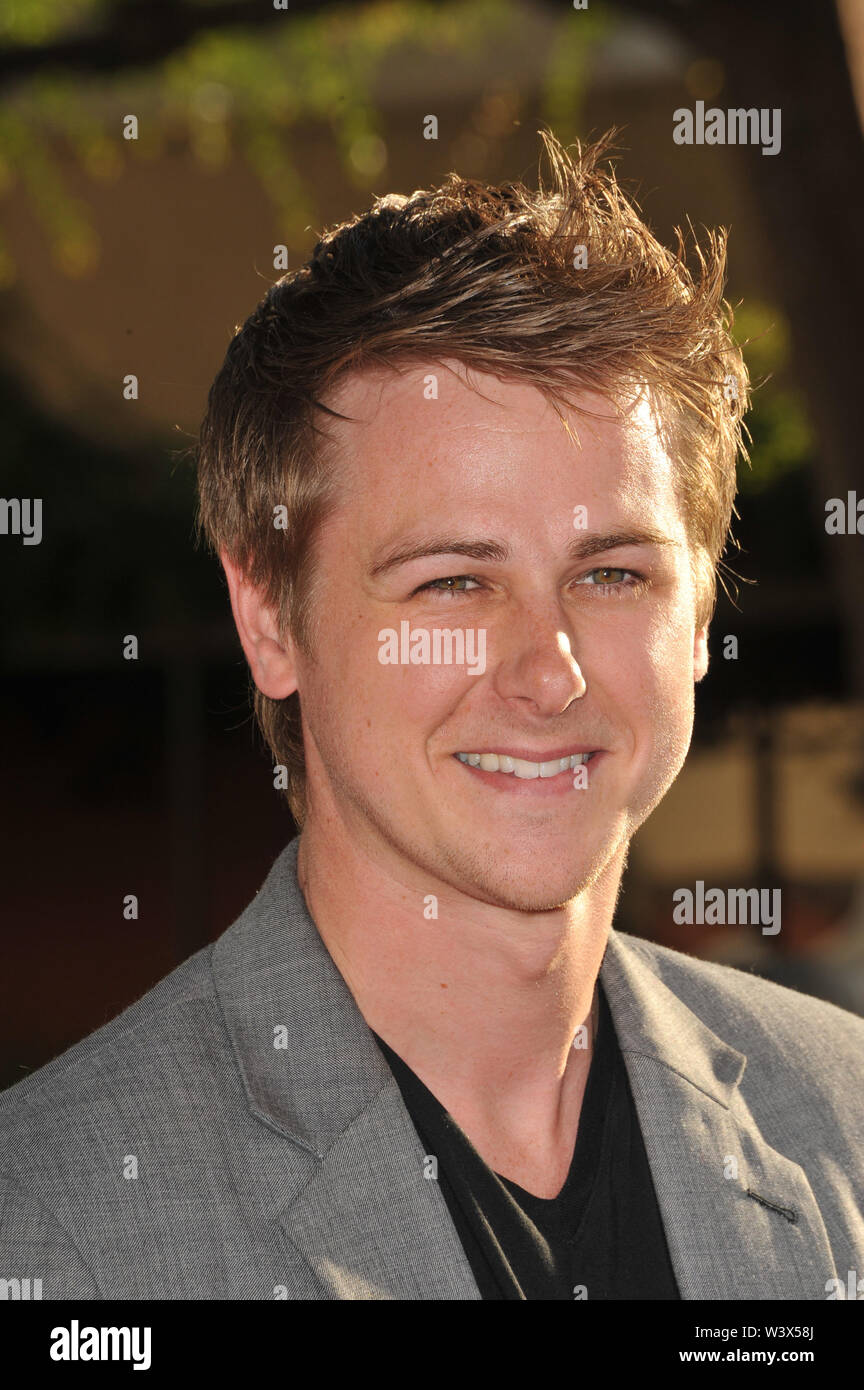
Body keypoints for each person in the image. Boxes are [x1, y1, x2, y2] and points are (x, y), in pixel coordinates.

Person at [1, 132, 861, 1301]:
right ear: (269, 617)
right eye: (453, 579)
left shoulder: (845, 1120)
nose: (547, 671)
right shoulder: (57, 1223)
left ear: (701, 607)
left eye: (612, 573)